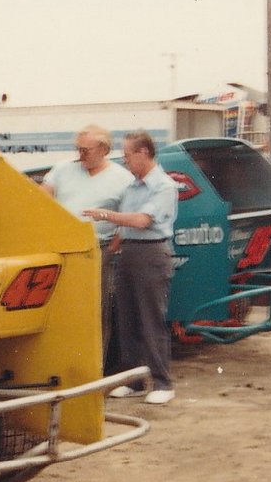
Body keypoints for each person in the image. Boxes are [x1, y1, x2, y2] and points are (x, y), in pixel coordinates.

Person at [87, 130, 177, 405]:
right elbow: (124, 228)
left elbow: (141, 221)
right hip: (128, 253)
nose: (124, 160)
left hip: (151, 253)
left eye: (127, 155)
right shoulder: (132, 187)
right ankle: (133, 381)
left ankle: (162, 382)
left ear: (143, 153)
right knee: (126, 320)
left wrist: (105, 214)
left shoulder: (164, 186)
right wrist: (111, 250)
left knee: (150, 320)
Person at [44, 125, 133, 368]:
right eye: (78, 149)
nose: (80, 155)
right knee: (61, 310)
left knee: (95, 311)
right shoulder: (62, 169)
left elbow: (129, 218)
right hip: (60, 249)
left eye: (86, 150)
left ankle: (93, 367)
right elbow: (42, 199)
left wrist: (112, 248)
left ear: (104, 149)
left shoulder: (122, 178)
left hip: (97, 251)